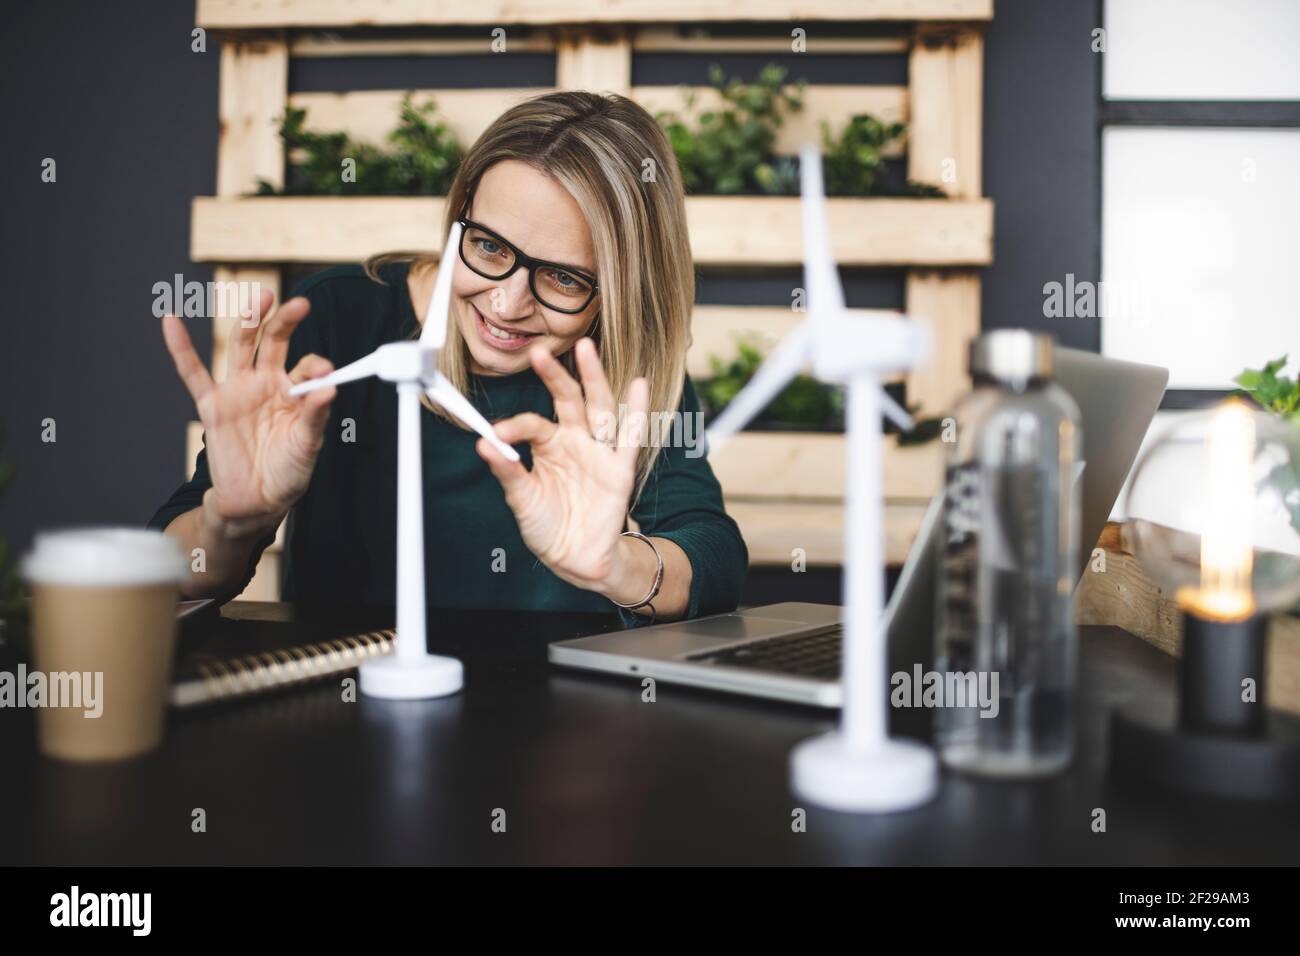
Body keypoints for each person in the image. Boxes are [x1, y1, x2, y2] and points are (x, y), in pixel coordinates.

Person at [149, 91, 748, 623]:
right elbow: (170, 572)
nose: (507, 303)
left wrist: (616, 565)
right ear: (461, 209)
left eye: (564, 279)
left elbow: (713, 555)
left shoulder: (619, 366)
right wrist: (233, 522)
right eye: (488, 246)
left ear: (620, 289)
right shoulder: (336, 320)